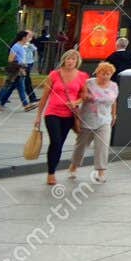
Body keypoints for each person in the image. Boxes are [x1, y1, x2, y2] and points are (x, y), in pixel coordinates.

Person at [37, 49, 87, 186]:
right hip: (52, 113)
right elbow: (45, 96)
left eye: (73, 59)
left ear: (77, 62)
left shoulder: (82, 76)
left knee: (60, 144)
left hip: (69, 115)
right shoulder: (54, 74)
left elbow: (84, 95)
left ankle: (52, 169)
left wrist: (75, 103)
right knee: (56, 141)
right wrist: (38, 116)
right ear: (64, 60)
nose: (70, 61)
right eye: (68, 59)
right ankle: (51, 173)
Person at [69, 59, 118, 182]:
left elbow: (114, 101)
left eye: (108, 74)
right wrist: (75, 103)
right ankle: (74, 166)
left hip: (104, 120)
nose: (105, 76)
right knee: (81, 145)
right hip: (87, 119)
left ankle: (100, 172)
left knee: (102, 146)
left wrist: (114, 114)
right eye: (103, 73)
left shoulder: (113, 86)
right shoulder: (89, 83)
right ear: (97, 73)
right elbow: (81, 97)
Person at [0, 29, 38, 111]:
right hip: (15, 71)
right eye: (28, 37)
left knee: (21, 88)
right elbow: (10, 59)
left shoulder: (21, 46)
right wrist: (20, 67)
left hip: (20, 71)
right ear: (23, 38)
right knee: (6, 88)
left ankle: (26, 105)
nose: (30, 39)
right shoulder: (16, 46)